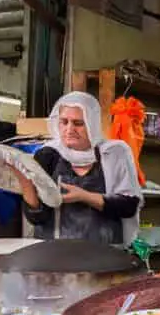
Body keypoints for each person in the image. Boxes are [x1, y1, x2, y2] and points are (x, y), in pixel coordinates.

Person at [10, 91, 142, 245]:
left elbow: (128, 206)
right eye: (64, 122)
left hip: (104, 253)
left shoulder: (113, 153)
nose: (69, 129)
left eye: (78, 123)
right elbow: (37, 217)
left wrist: (84, 196)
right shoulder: (48, 155)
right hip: (55, 253)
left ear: (92, 124)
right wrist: (24, 181)